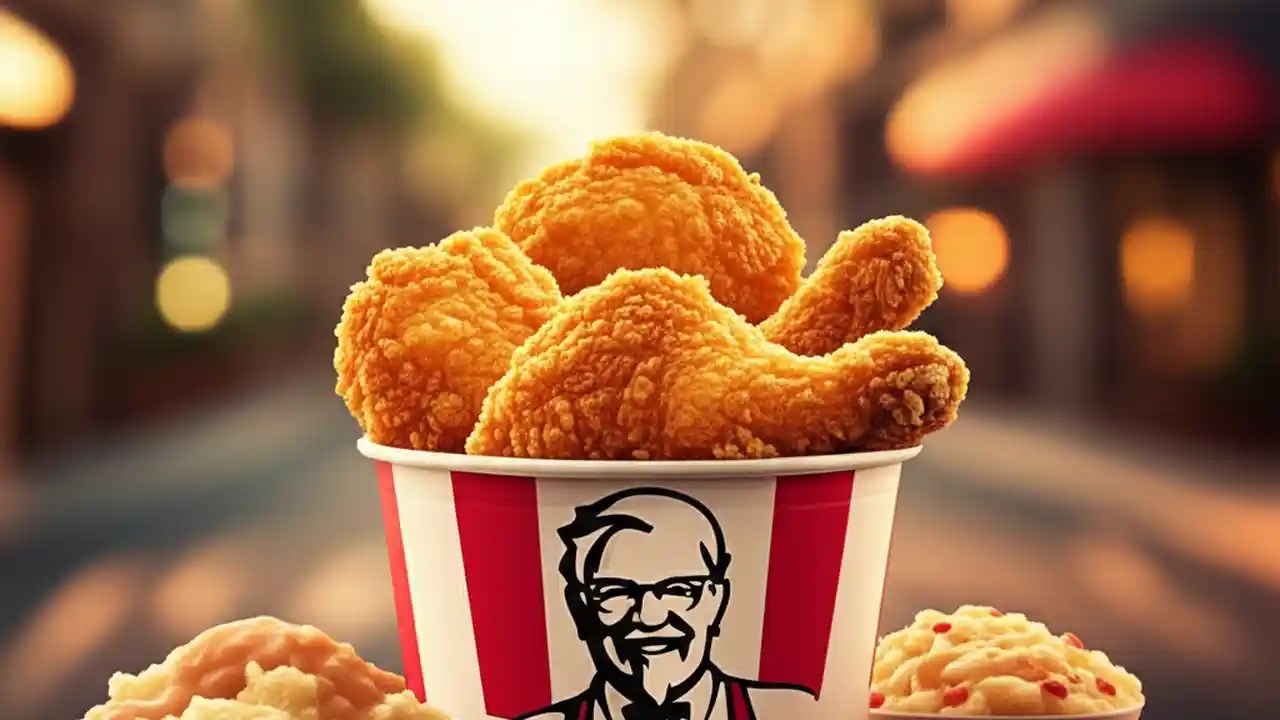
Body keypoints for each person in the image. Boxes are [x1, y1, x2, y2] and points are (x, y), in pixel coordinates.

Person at [521, 488, 813, 720]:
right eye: (615, 592)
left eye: (679, 590)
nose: (650, 617)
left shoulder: (795, 711)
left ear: (717, 599)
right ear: (580, 609)